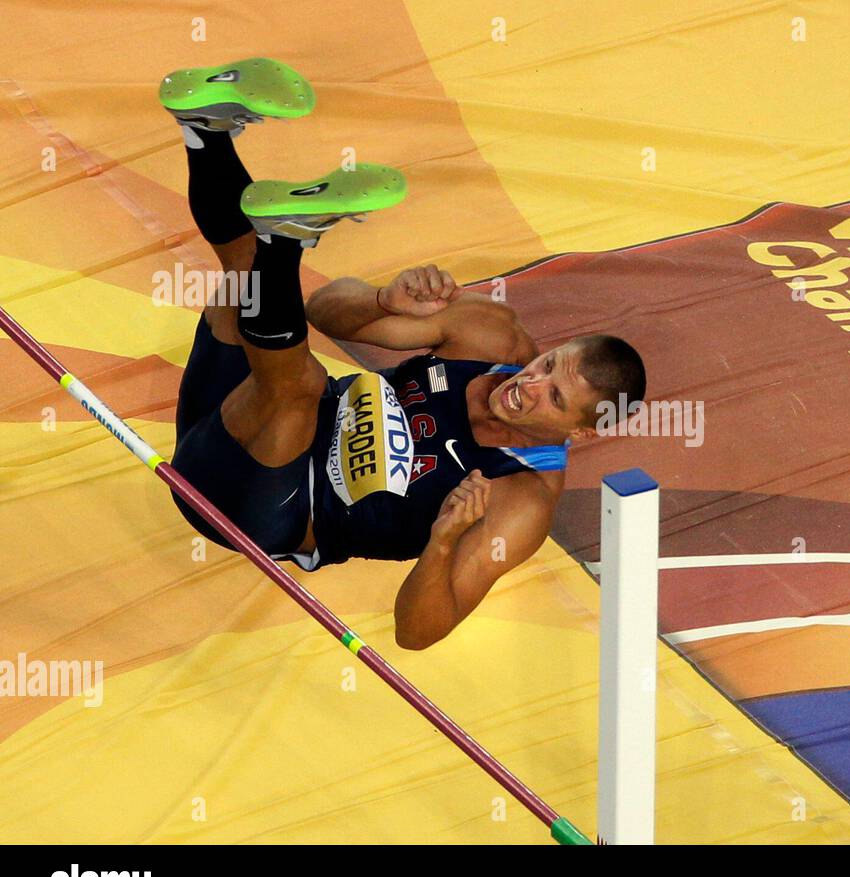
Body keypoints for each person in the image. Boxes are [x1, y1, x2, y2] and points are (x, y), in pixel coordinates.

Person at [162, 58, 646, 649]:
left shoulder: (518, 502)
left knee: (300, 386)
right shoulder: (491, 338)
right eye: (547, 364)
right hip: (225, 424)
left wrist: (442, 541)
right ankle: (204, 130)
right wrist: (379, 301)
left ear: (581, 431)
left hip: (255, 509)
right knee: (243, 285)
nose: (528, 382)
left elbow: (417, 634)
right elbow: (322, 311)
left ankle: (285, 241)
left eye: (554, 397)